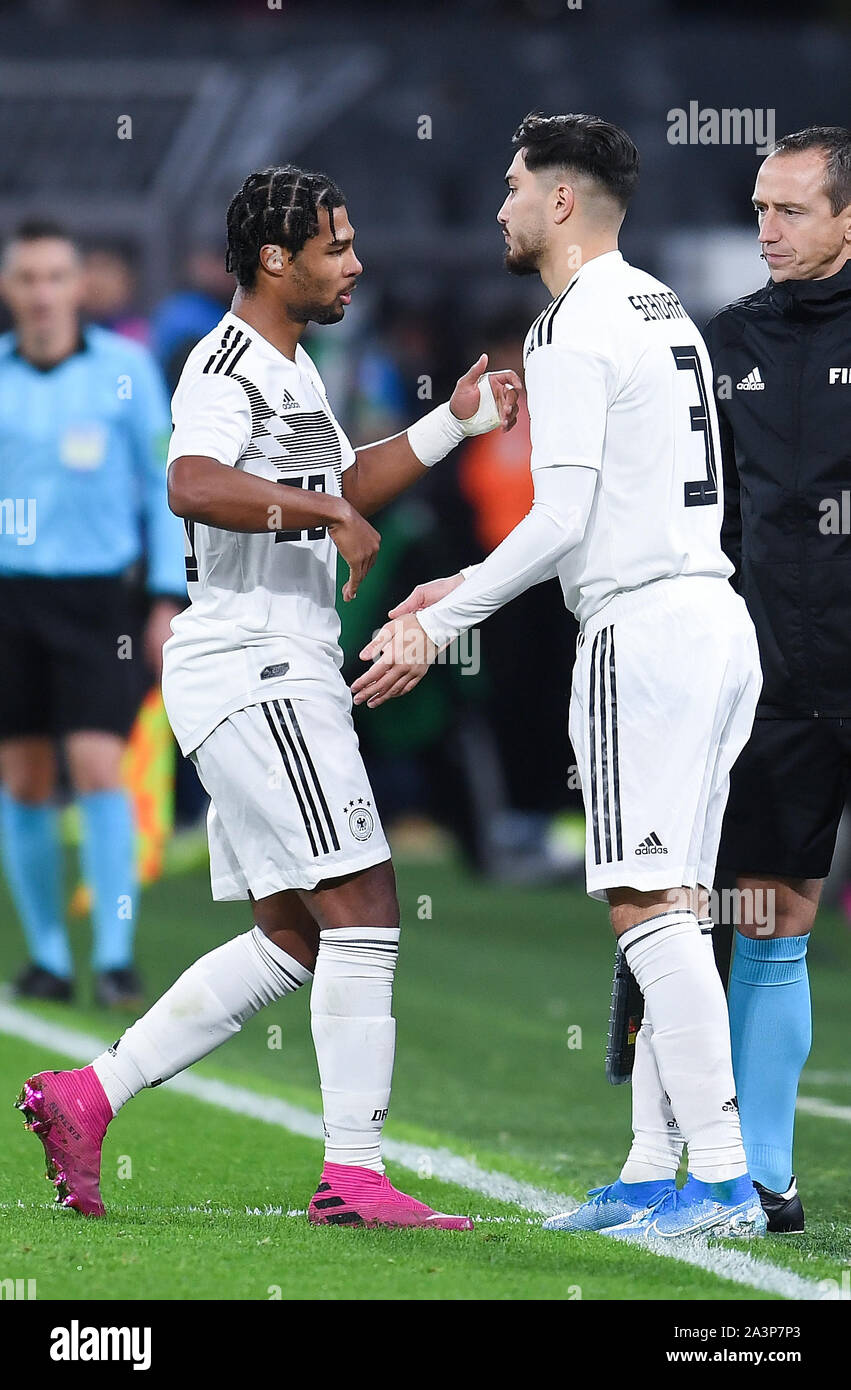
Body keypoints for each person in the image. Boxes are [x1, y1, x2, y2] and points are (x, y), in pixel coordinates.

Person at [16, 165, 521, 1229]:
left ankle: (86, 1094)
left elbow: (337, 489)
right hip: (256, 663)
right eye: (337, 246)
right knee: (367, 897)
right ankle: (353, 1172)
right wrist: (318, 517)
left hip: (271, 665)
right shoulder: (226, 362)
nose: (356, 264)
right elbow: (191, 483)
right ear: (276, 258)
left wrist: (450, 426)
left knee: (294, 934)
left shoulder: (293, 371)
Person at [353, 113, 767, 1241]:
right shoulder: (661, 305)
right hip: (710, 617)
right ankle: (648, 1167)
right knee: (670, 905)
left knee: (643, 905)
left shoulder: (570, 324)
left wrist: (447, 617)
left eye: (511, 185)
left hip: (642, 630)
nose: (498, 207)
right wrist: (460, 592)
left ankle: (721, 1176)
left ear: (562, 202)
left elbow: (561, 519)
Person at [704, 126, 851, 1233]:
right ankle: (764, 1172)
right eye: (759, 206)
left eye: (790, 210)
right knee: (769, 917)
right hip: (775, 676)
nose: (764, 227)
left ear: (847, 220)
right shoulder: (728, 341)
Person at [0, 220, 185, 1007]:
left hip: (100, 597)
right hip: (11, 595)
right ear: (10, 289)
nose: (42, 293)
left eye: (55, 277)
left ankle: (113, 954)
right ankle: (46, 955)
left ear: (80, 286)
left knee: (100, 763)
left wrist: (166, 598)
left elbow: (161, 482)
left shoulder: (126, 371)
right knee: (25, 777)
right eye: (27, 278)